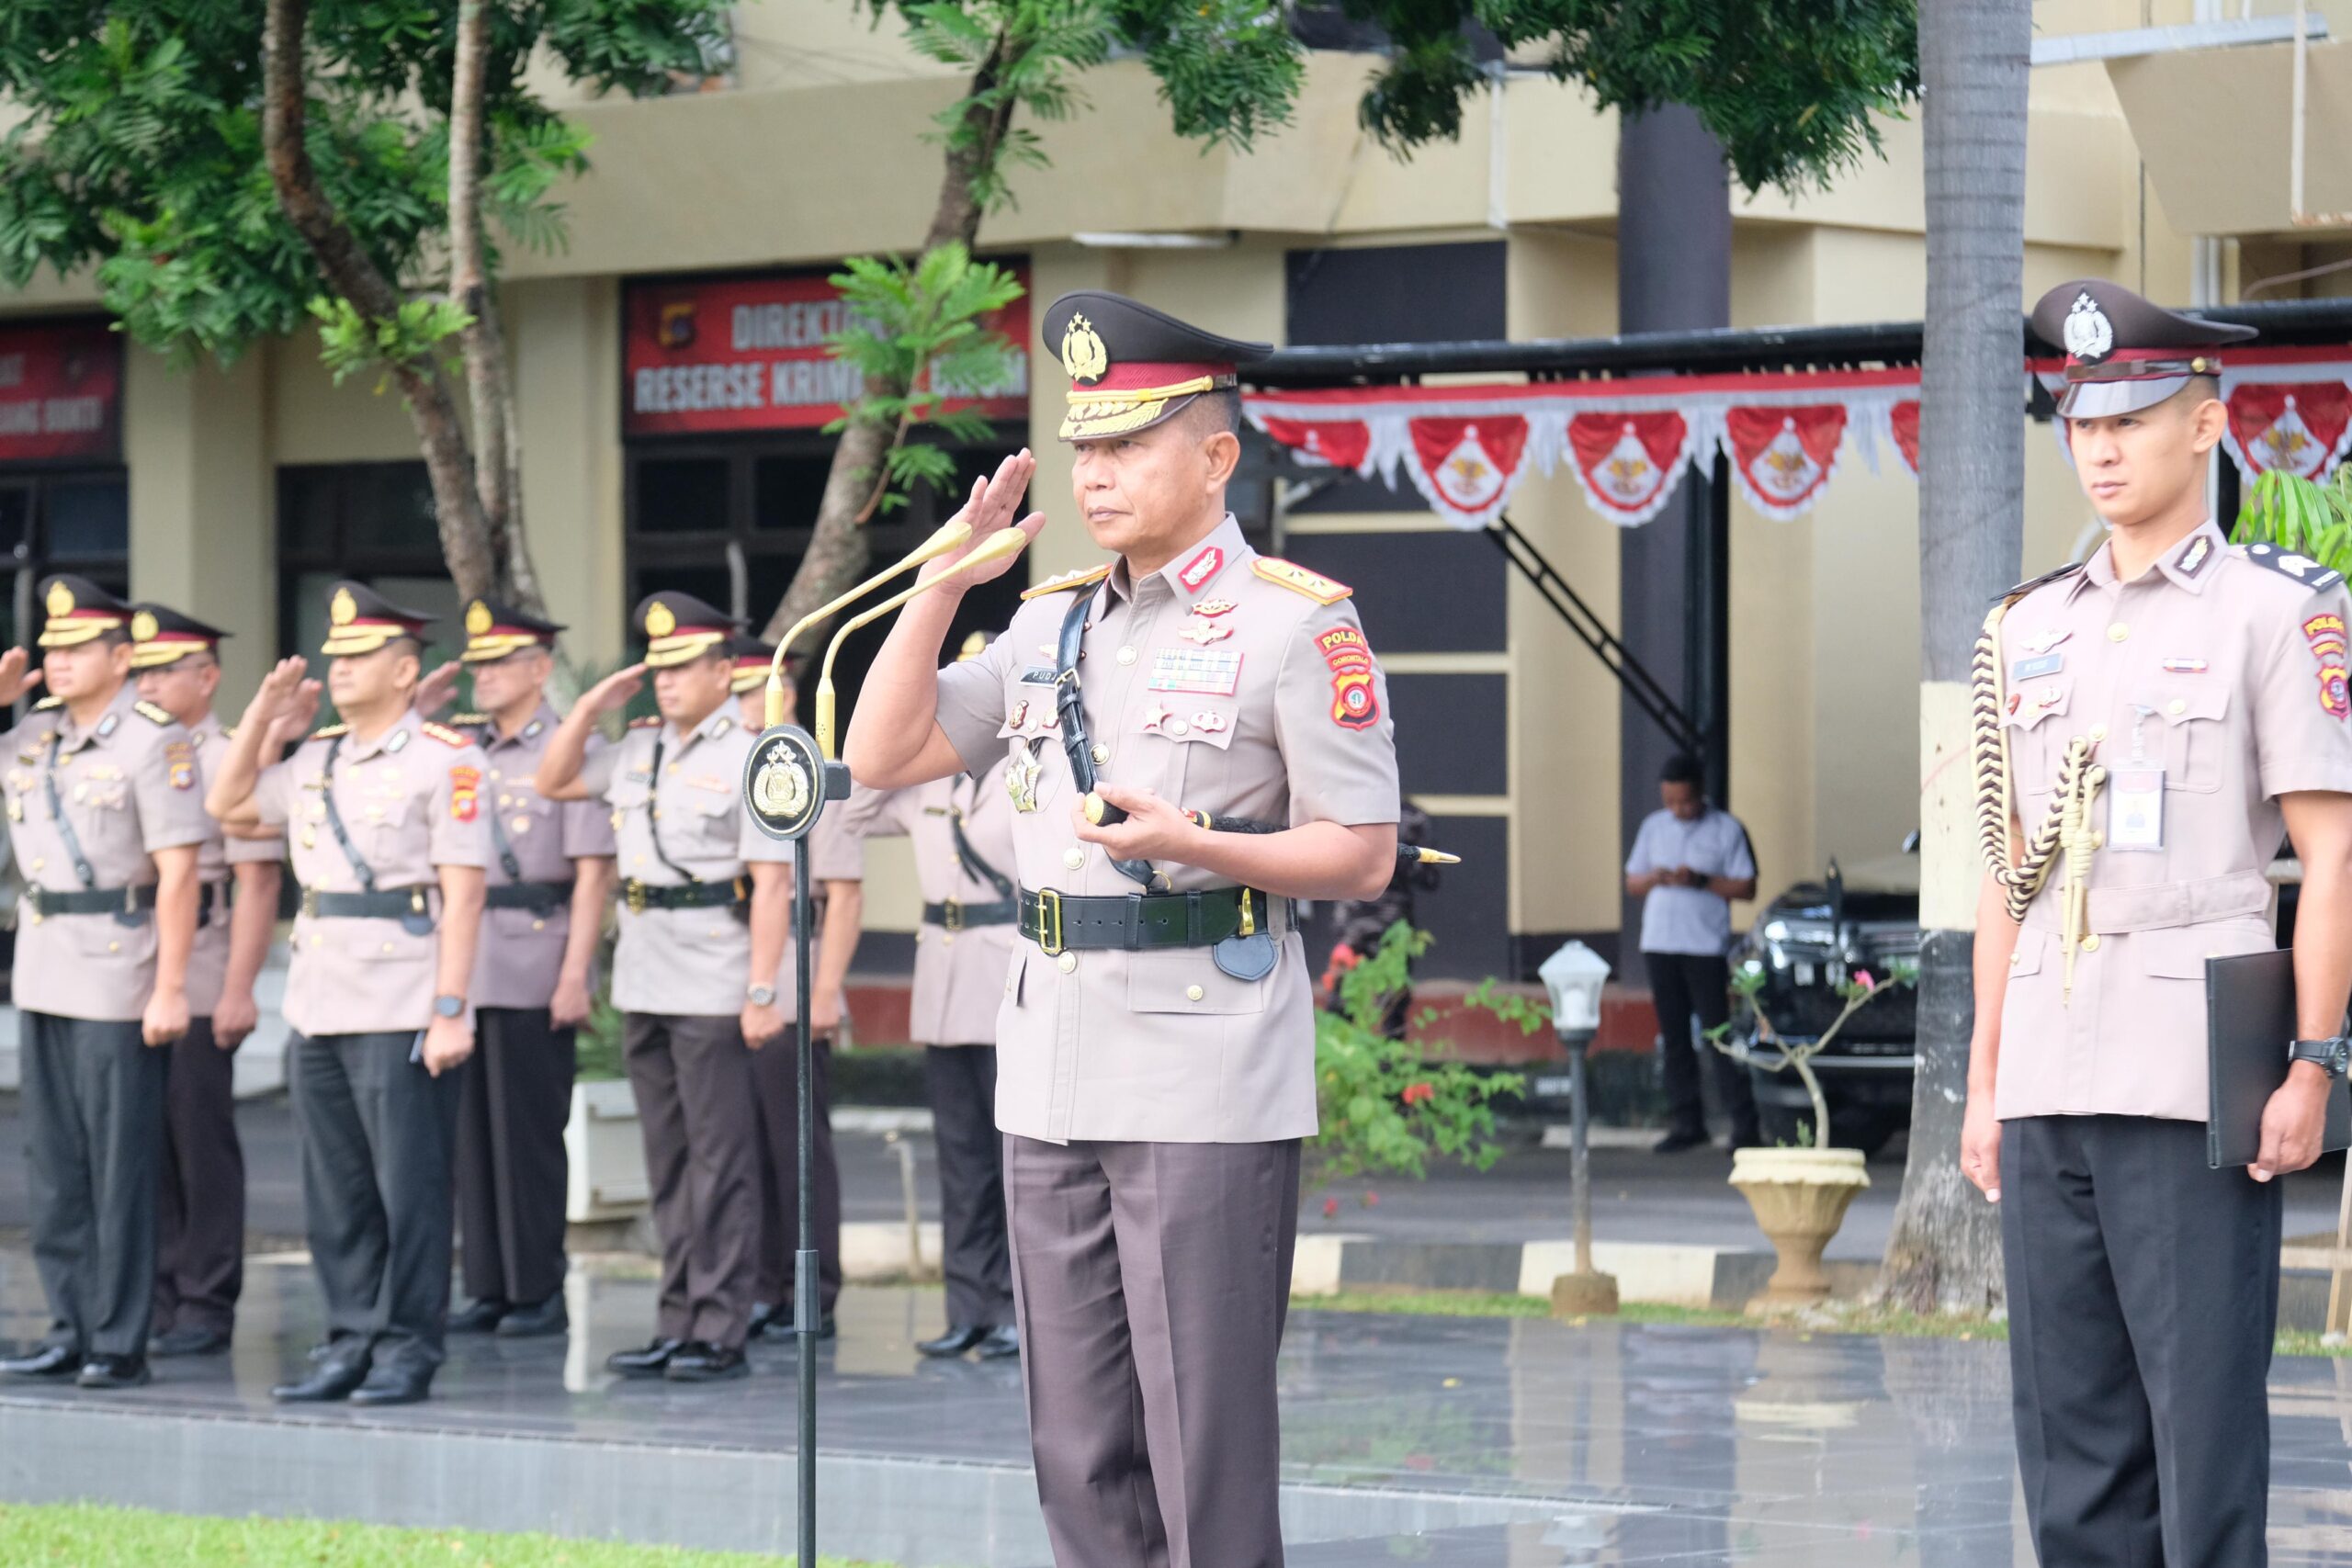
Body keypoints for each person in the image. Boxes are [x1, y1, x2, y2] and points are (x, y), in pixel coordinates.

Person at [844, 292, 1400, 1568]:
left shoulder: (1295, 620)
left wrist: (1196, 841)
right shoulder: (1046, 619)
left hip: (1204, 1065)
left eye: (1127, 446)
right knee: (1078, 1440)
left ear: (1214, 457)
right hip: (1049, 1056)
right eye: (1083, 448)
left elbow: (1360, 849)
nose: (1094, 474)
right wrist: (941, 583)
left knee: (1203, 1439)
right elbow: (879, 755)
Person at [1964, 279, 2352, 1567]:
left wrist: (2313, 1061)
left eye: (2131, 419)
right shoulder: (2026, 627)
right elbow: (2007, 870)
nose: (2104, 450)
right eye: (2083, 425)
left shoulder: (2278, 608)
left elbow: (2332, 851)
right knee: (2069, 1448)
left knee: (2202, 1443)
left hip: (2190, 1073)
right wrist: (1983, 1082)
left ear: (2205, 423)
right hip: (2046, 1070)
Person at [205, 582, 489, 1407]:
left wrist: (451, 1007)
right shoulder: (313, 759)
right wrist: (262, 718)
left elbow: (463, 893)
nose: (339, 668)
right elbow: (226, 803)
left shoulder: (446, 759)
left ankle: (407, 1346)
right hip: (320, 1002)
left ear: (405, 671)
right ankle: (349, 1339)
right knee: (337, 1191)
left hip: (403, 1002)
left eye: (360, 655)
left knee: (410, 1190)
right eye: (335, 656)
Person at [535, 595, 790, 1384]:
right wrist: (587, 708)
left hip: (713, 974)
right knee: (668, 1159)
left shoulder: (754, 753)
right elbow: (552, 778)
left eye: (684, 667)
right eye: (660, 670)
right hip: (644, 974)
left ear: (724, 672)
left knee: (720, 1160)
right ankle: (676, 1317)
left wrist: (761, 990)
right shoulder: (637, 748)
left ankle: (719, 1326)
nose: (667, 682)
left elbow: (772, 883)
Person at [0, 579, 209, 1392]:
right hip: (45, 967)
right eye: (52, 647)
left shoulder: (154, 741)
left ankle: (120, 1337)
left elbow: (179, 873)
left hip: (120, 971)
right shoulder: (31, 735)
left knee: (120, 1165)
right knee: (55, 1164)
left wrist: (171, 986)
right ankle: (71, 1324)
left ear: (121, 659)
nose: (58, 660)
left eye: (77, 648)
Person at [436, 601, 616, 1339]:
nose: (482, 675)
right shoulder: (462, 749)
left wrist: (576, 974)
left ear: (540, 670)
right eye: (477, 663)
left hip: (536, 958)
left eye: (498, 663)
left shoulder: (569, 749)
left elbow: (592, 874)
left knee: (529, 1137)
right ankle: (487, 1284)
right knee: (471, 1139)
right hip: (469, 964)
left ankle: (537, 1287)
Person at [852, 630, 1020, 1361]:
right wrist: (902, 720)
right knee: (960, 1158)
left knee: (1015, 1161)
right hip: (945, 983)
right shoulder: (928, 778)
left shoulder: (1035, 768)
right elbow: (851, 809)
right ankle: (968, 1306)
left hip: (1010, 976)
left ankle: (1017, 1307)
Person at [130, 604, 286, 1359]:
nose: (149, 684)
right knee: (142, 1142)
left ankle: (205, 1298)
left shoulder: (229, 758)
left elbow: (258, 884)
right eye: (142, 671)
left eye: (165, 670)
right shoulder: (132, 750)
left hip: (201, 963)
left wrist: (238, 986)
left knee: (198, 1140)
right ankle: (157, 1296)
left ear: (208, 677)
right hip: (128, 965)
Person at [726, 634, 856, 1344]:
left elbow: (844, 893)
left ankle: (813, 1291)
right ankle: (763, 1286)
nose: (745, 706)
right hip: (736, 963)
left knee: (797, 1144)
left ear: (787, 695)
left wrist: (825, 989)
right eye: (739, 694)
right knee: (746, 1142)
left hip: (793, 969)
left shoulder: (808, 767)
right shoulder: (735, 763)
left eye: (755, 692)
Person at [1623, 752, 1758, 1154]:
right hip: (1659, 943)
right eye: (1670, 801)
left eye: (1685, 801)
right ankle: (1687, 1122)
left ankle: (1744, 1126)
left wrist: (1700, 880)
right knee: (1675, 1037)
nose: (1678, 809)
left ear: (1700, 793)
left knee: (1717, 1034)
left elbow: (1746, 886)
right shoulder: (1654, 826)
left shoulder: (1726, 829)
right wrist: (1656, 877)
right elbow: (1632, 882)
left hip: (1704, 947)